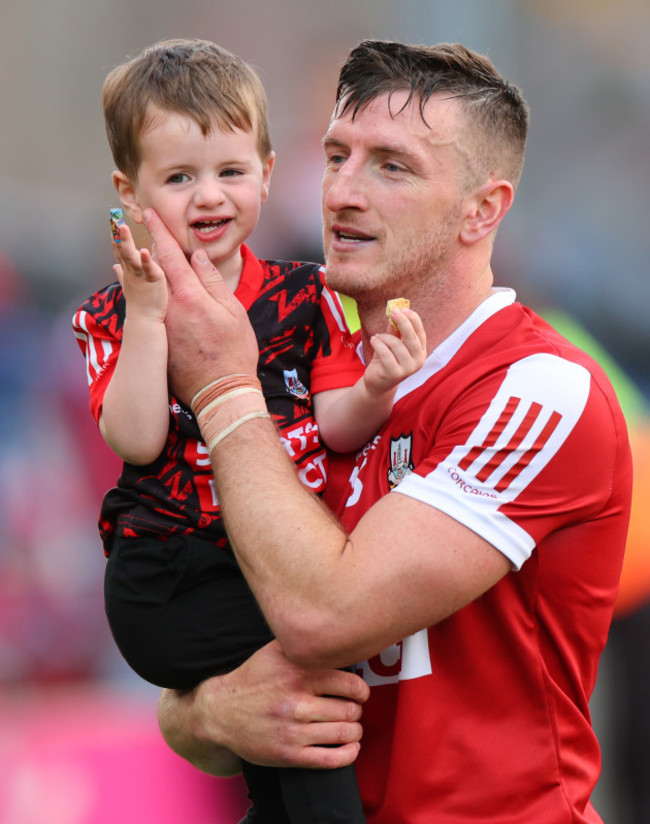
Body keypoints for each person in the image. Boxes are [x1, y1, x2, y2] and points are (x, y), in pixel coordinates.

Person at [151, 39, 634, 823]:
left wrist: (223, 388)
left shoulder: (538, 386)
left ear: (484, 208)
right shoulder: (294, 370)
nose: (342, 191)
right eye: (336, 155)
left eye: (392, 167)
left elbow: (322, 617)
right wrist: (208, 716)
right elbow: (185, 657)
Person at [72, 38, 427, 824]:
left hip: (272, 565)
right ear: (130, 194)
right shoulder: (113, 310)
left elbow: (334, 430)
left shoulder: (308, 297)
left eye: (230, 172)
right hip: (168, 576)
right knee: (316, 674)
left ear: (267, 172)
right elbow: (132, 439)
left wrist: (376, 384)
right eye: (178, 178)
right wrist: (148, 315)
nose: (209, 197)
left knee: (292, 752)